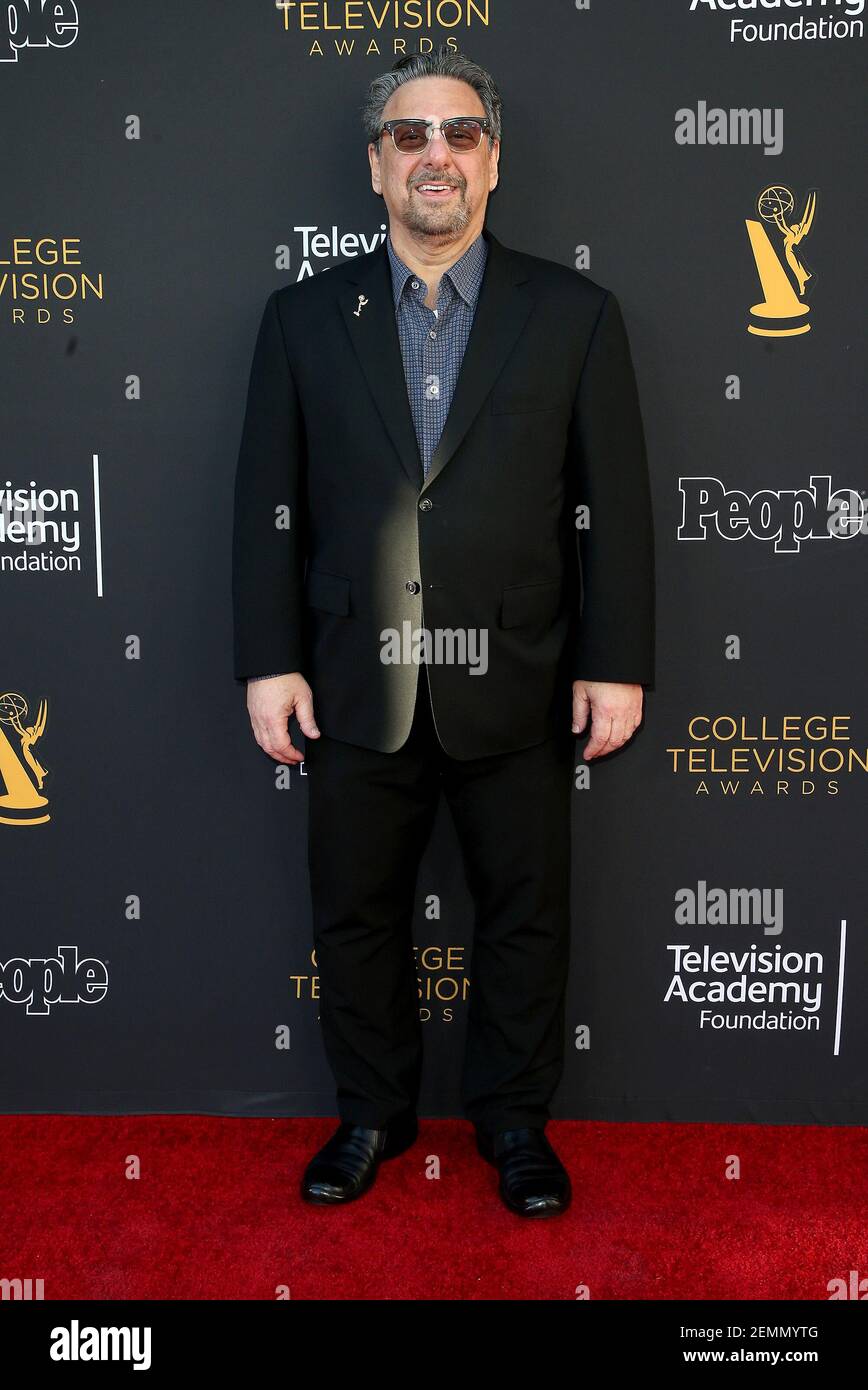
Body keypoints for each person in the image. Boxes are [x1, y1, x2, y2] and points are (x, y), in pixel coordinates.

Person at [232, 48, 655, 1218]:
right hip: (351, 678)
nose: (436, 155)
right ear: (375, 165)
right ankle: (371, 1113)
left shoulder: (572, 315)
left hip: (518, 679)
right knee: (353, 912)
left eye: (460, 135)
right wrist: (268, 659)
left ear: (493, 161)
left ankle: (515, 1125)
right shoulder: (303, 318)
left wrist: (615, 662)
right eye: (410, 136)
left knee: (525, 915)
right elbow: (269, 499)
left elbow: (613, 503)